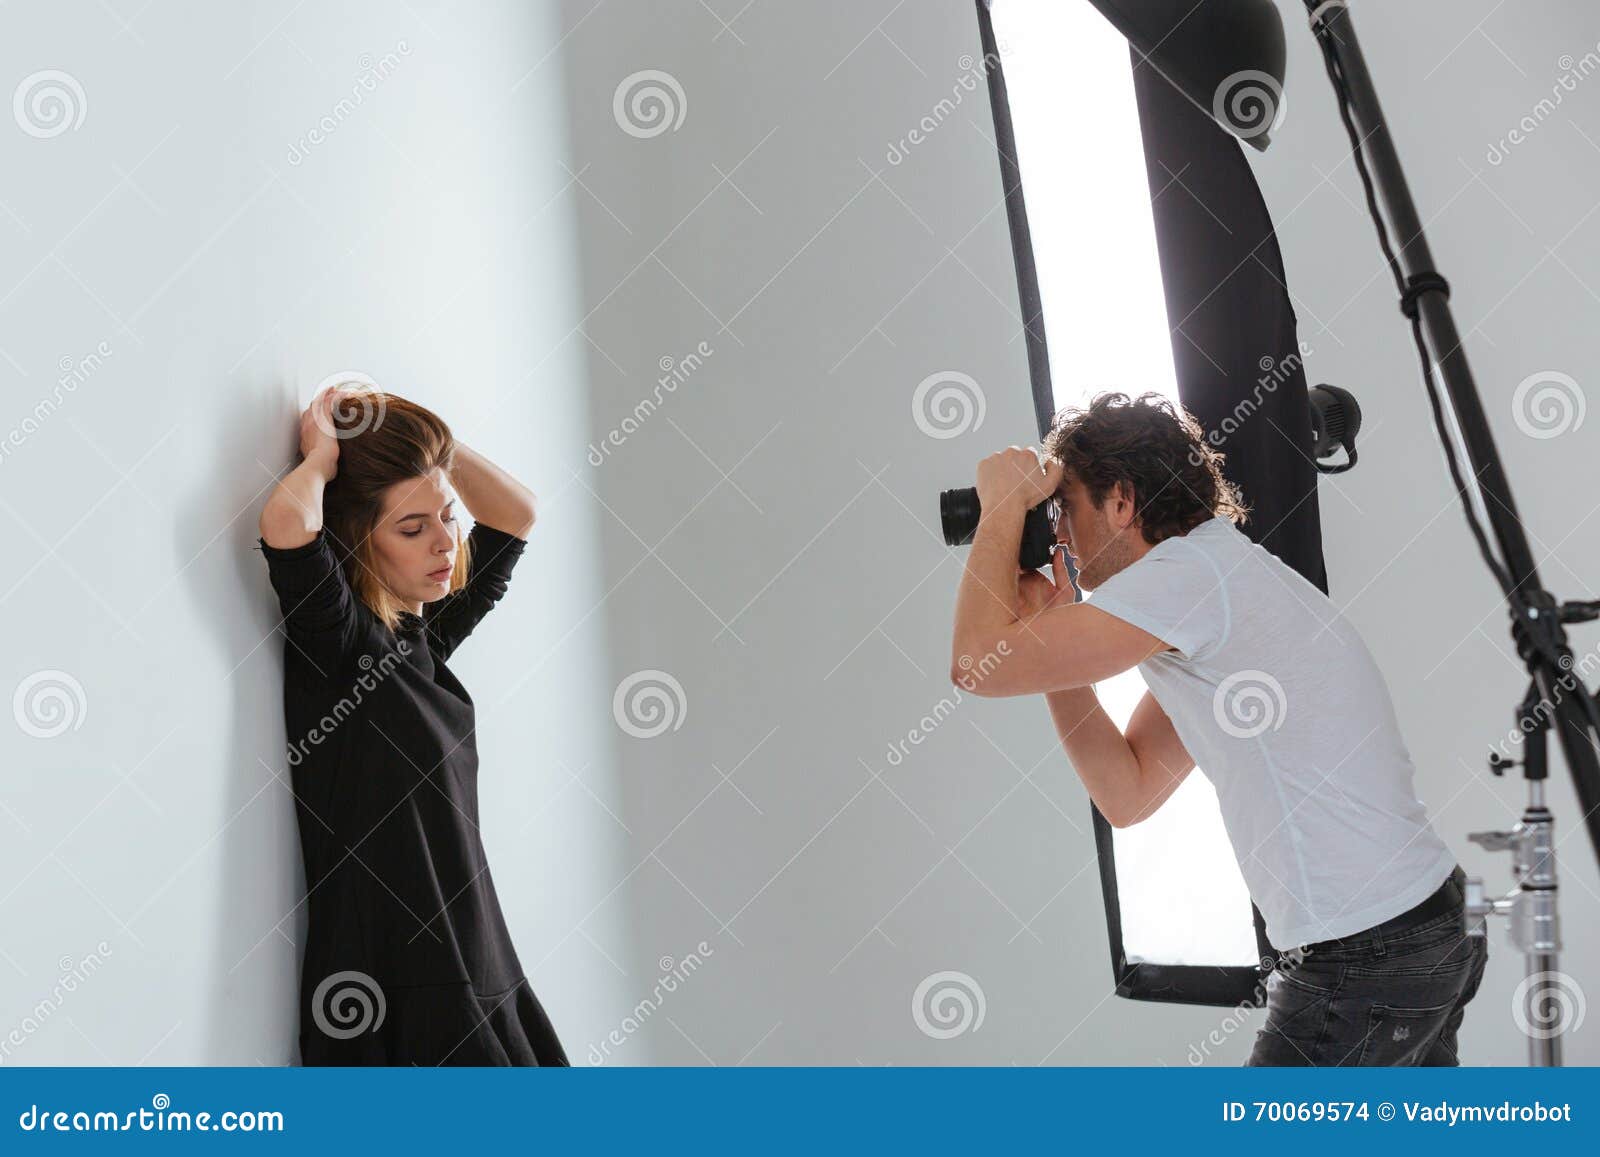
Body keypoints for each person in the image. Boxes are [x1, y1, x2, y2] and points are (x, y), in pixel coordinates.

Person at [949, 389, 1487, 1066]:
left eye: (1066, 510)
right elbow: (1129, 791)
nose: (1058, 536)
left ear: (1121, 501)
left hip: (1366, 953)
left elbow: (974, 664)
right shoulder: (1217, 582)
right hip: (1427, 931)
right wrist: (1042, 628)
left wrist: (1002, 504)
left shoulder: (1187, 576)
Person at [256, 384, 568, 1066]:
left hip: (482, 964)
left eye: (447, 517)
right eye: (411, 527)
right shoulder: (338, 645)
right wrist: (321, 461)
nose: (445, 542)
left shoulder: (423, 642)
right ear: (356, 538)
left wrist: (422, 439)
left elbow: (518, 515)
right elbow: (287, 525)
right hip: (394, 986)